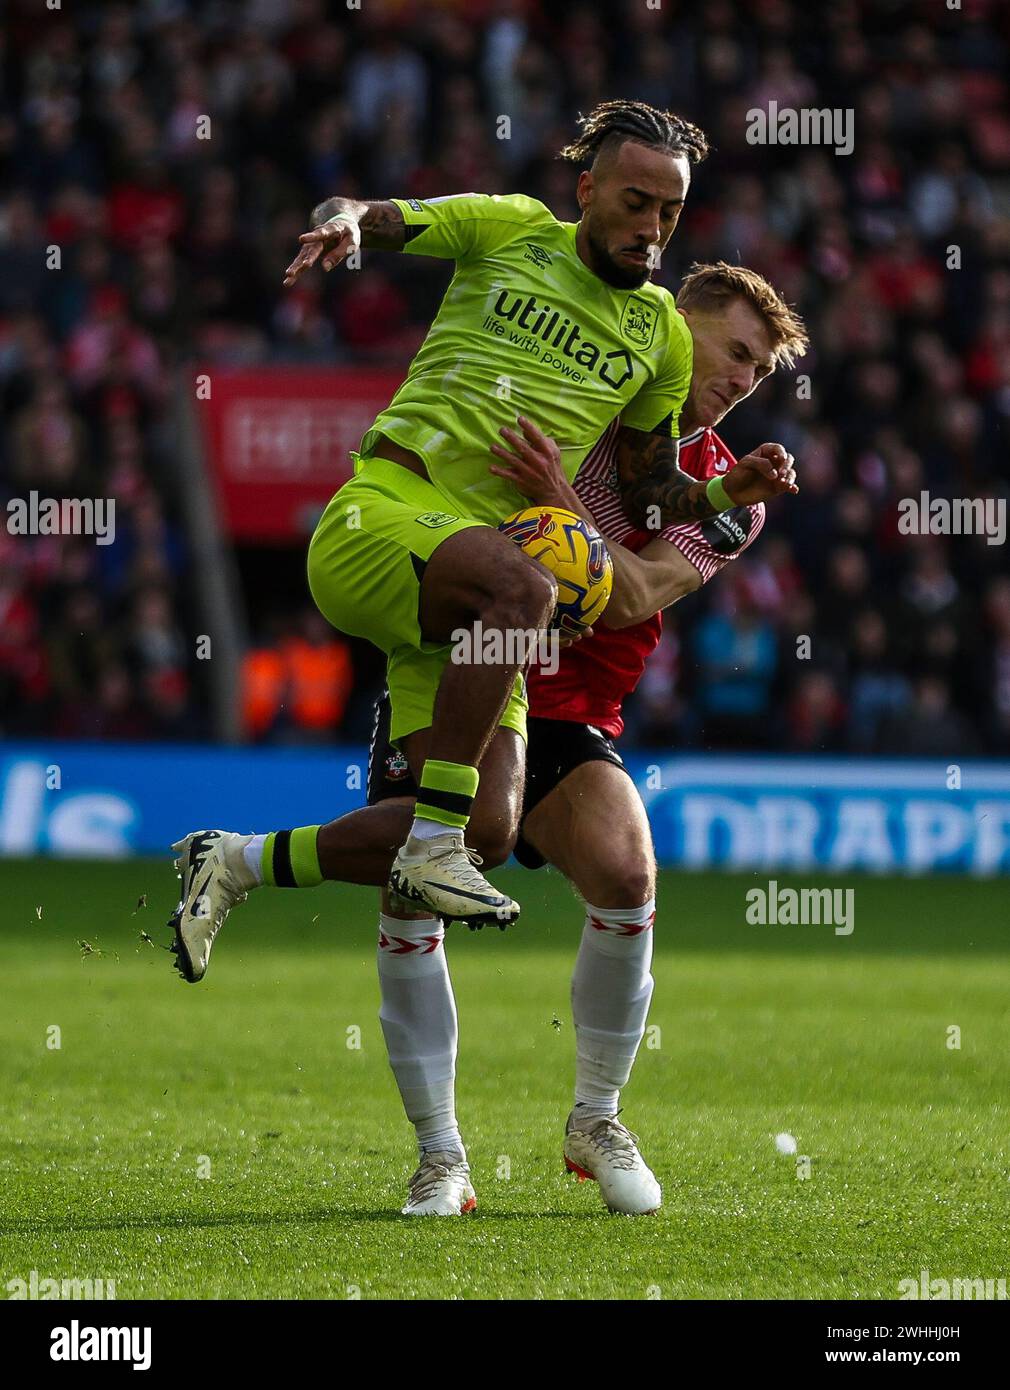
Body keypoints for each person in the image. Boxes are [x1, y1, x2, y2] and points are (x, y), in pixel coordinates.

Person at [168, 99, 792, 982]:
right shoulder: (513, 230)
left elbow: (656, 491)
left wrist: (732, 489)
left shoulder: (659, 337)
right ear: (587, 190)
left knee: (486, 833)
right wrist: (341, 222)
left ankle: (231, 862)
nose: (651, 227)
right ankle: (428, 849)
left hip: (475, 595)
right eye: (634, 201)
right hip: (385, 512)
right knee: (529, 592)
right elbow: (376, 217)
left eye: (669, 212)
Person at [367, 262, 809, 1215]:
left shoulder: (729, 496)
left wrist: (563, 499)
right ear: (672, 322)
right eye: (732, 352)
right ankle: (440, 1157)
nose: (740, 381)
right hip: (466, 671)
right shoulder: (579, 397)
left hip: (572, 713)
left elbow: (638, 596)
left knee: (628, 876)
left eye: (758, 375)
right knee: (415, 896)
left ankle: (596, 1118)